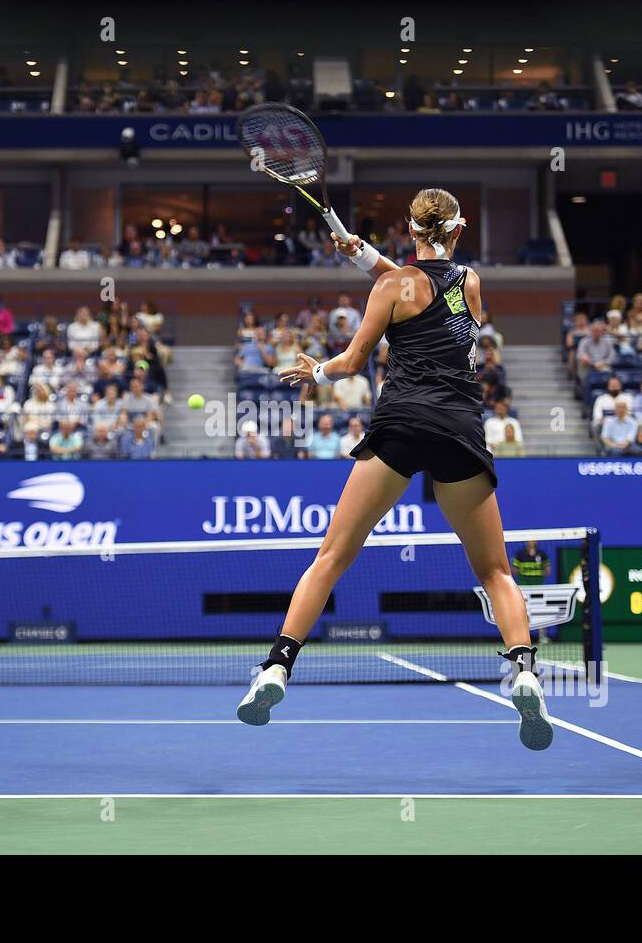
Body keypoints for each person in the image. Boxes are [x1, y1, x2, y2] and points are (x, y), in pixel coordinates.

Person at [235, 187, 552, 751]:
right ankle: (525, 668)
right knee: (496, 572)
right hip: (459, 430)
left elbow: (357, 357)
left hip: (400, 425)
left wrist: (319, 372)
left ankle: (276, 666)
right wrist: (363, 255)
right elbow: (425, 287)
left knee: (330, 559)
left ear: (410, 228)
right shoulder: (471, 285)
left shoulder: (389, 286)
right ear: (459, 231)